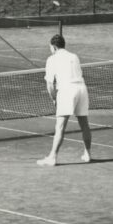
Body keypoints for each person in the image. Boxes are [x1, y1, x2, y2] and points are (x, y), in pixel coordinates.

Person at [36, 34, 94, 166]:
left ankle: (52, 157)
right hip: (82, 90)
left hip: (67, 91)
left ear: (54, 47)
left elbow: (50, 85)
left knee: (60, 126)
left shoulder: (51, 59)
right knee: (84, 124)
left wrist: (54, 99)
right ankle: (88, 154)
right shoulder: (74, 56)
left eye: (50, 47)